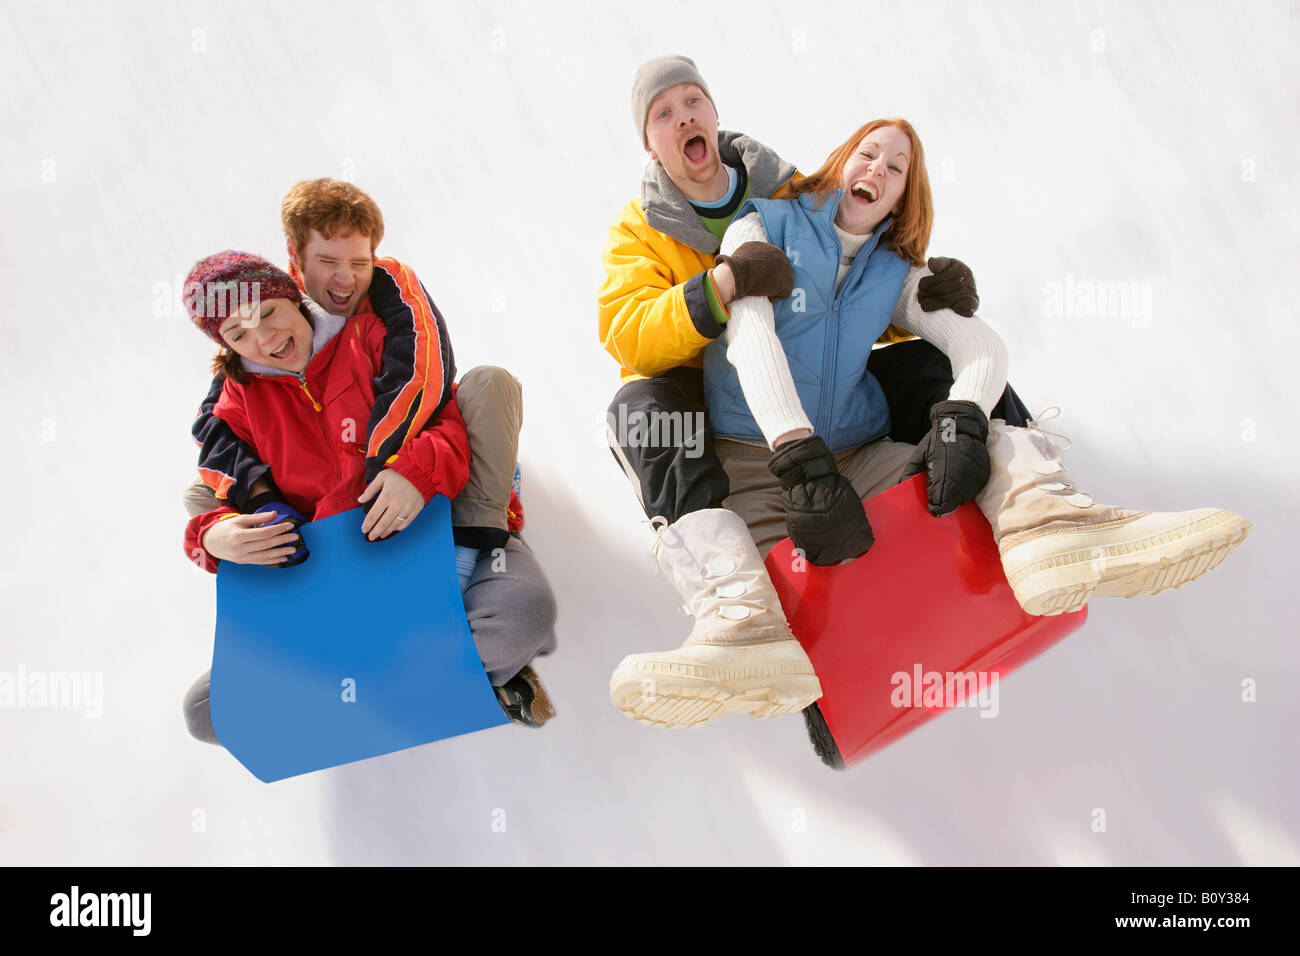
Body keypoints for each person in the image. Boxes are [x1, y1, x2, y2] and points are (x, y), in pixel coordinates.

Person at [600, 56, 1010, 729]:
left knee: (928, 366)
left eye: (692, 101)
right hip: (710, 408)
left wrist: (928, 296)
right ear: (651, 143)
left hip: (820, 400)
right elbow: (626, 334)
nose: (684, 119)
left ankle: (1033, 505)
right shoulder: (639, 228)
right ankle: (736, 607)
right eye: (664, 113)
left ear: (714, 112)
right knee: (638, 414)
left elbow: (838, 303)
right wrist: (719, 288)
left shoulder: (791, 192)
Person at [701, 118, 1251, 619]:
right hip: (757, 458)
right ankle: (739, 639)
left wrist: (961, 420)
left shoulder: (895, 270)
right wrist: (799, 458)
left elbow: (980, 345)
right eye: (868, 154)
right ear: (842, 160)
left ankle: (1054, 533)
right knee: (776, 599)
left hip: (857, 453)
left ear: (899, 200)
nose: (878, 169)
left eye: (896, 168)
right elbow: (750, 335)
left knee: (987, 448)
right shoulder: (763, 227)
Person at [179, 253, 557, 741]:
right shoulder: (235, 409)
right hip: (346, 586)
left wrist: (414, 472)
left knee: (524, 615)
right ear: (225, 346)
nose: (264, 338)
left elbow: (447, 417)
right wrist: (211, 541)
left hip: (444, 542)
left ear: (293, 296)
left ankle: (361, 692)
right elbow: (213, 497)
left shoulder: (369, 337)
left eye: (267, 312)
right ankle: (427, 683)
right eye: (237, 333)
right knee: (206, 710)